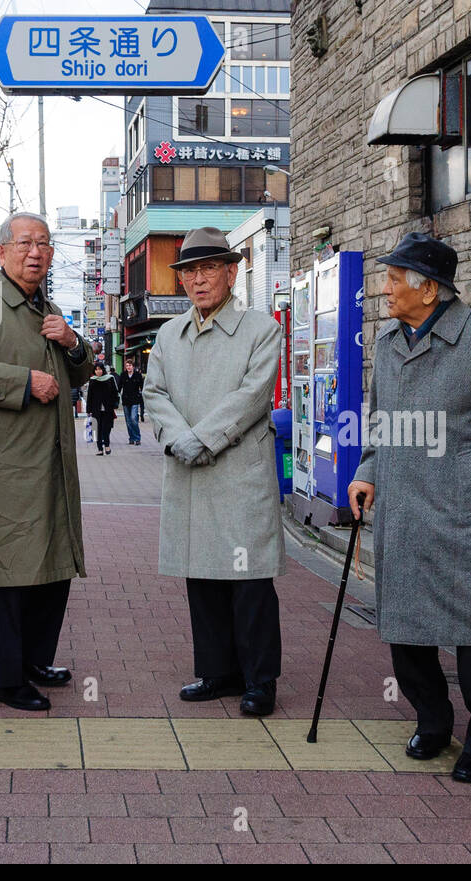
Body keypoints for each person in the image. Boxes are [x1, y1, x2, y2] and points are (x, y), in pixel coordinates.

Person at [347, 233, 471, 784]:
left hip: (468, 515)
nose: (383, 289)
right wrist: (367, 472)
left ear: (428, 288)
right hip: (404, 514)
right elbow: (379, 424)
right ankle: (432, 720)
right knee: (407, 631)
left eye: (393, 279)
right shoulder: (387, 345)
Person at [0, 212, 96, 712]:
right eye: (26, 243)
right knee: (7, 572)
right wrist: (24, 383)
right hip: (2, 470)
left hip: (49, 463)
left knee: (52, 567)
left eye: (44, 244)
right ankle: (7, 680)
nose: (36, 252)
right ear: (2, 251)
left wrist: (73, 343)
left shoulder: (45, 307)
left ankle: (35, 660)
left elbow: (80, 374)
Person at [144, 226, 284, 717]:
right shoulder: (167, 333)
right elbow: (153, 394)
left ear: (231, 272)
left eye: (208, 270)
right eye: (189, 272)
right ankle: (217, 671)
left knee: (249, 581)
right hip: (189, 470)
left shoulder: (261, 329)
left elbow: (252, 396)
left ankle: (260, 679)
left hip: (238, 471)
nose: (198, 280)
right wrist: (179, 438)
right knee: (201, 575)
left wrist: (200, 439)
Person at [85, 360, 120, 455]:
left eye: (100, 369)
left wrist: (115, 404)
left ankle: (107, 446)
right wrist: (88, 410)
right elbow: (89, 396)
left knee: (106, 428)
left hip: (108, 409)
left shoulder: (109, 379)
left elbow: (115, 393)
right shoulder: (93, 381)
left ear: (103, 370)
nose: (98, 371)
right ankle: (100, 449)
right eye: (96, 370)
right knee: (97, 429)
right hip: (96, 409)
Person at [118, 358, 145, 445]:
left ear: (133, 366)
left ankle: (137, 438)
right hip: (126, 400)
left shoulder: (137, 375)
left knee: (133, 419)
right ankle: (131, 438)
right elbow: (119, 387)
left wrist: (143, 395)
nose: (128, 367)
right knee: (128, 421)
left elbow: (142, 386)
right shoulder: (123, 375)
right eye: (127, 366)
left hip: (135, 400)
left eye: (130, 365)